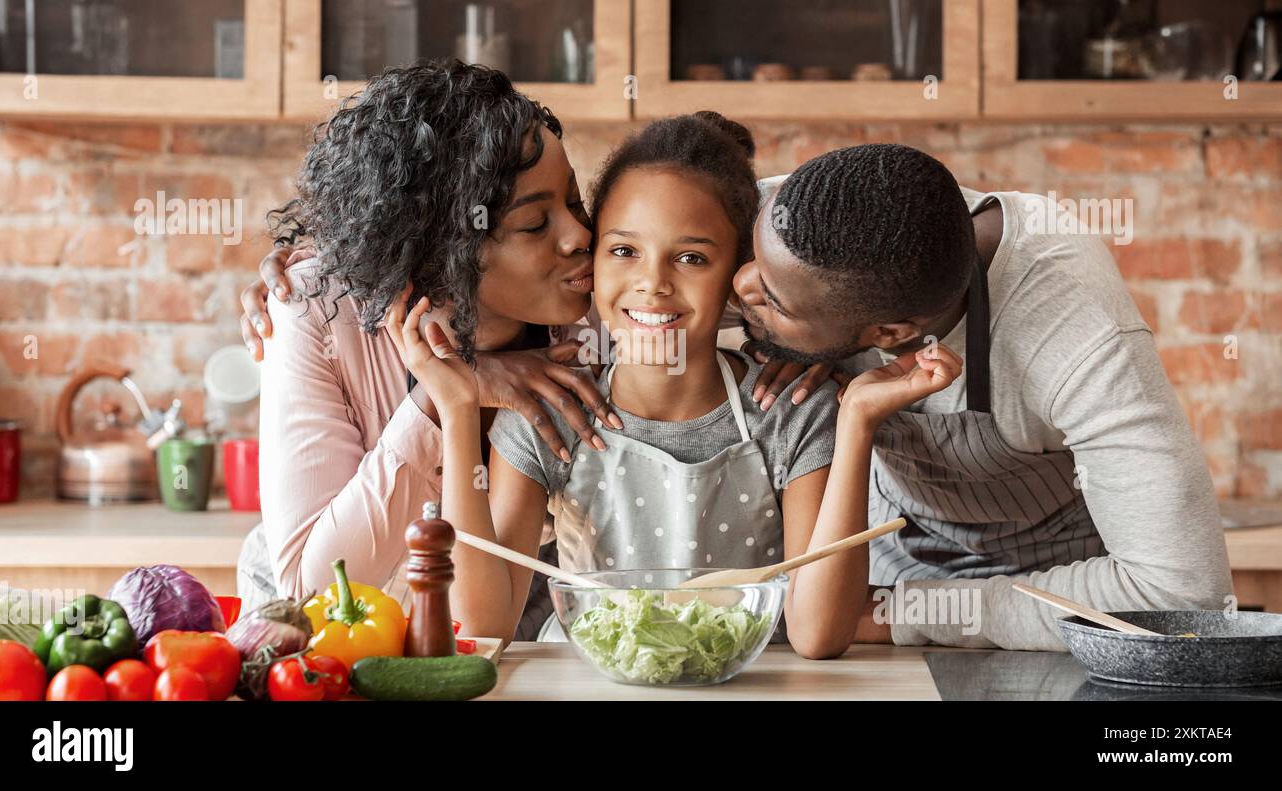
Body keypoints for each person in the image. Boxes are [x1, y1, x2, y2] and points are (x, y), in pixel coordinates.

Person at [388, 112, 963, 658]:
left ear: (740, 275)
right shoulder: (549, 413)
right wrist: (459, 408)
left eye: (690, 257)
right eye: (623, 251)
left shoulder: (795, 414)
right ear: (593, 260)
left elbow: (817, 635)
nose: (652, 283)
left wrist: (857, 421)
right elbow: (484, 624)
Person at [730, 144, 1232, 650]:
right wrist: (787, 331)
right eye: (753, 258)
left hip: (1050, 594)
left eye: (771, 299)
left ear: (890, 332)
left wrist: (908, 610)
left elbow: (1183, 594)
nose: (737, 285)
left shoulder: (1081, 337)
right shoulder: (796, 217)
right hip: (883, 566)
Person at [239, 60, 620, 643]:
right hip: (321, 636)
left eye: (574, 202)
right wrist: (445, 399)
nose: (579, 237)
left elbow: (736, 249)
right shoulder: (313, 309)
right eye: (535, 224)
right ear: (439, 250)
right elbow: (310, 591)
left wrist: (799, 341)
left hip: (513, 622)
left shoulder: (600, 302)